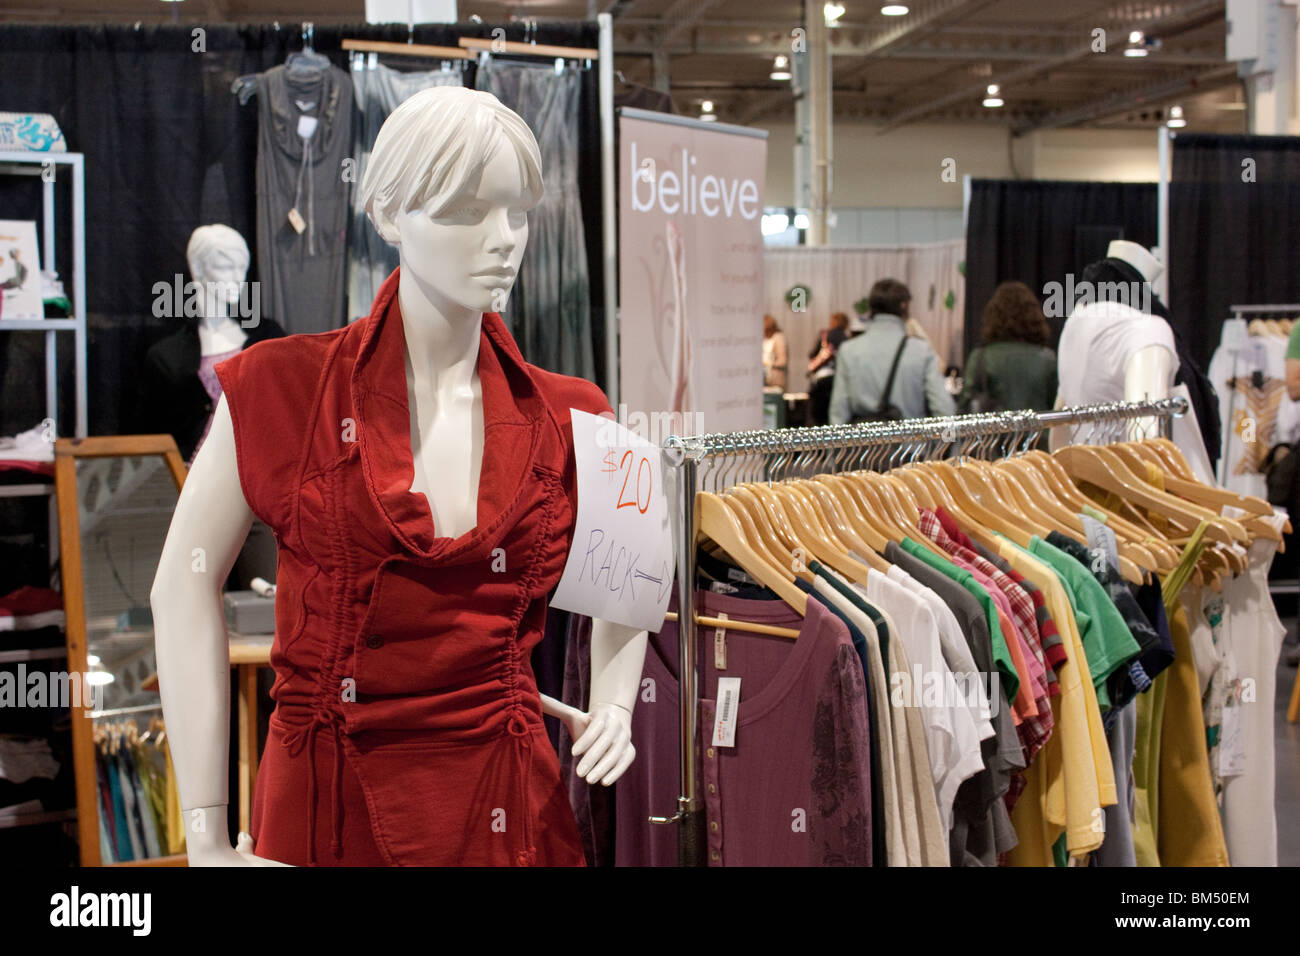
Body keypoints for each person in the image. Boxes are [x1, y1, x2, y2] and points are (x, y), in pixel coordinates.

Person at [829, 278, 954, 423]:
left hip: (864, 443)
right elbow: (944, 409)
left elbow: (839, 410)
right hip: (912, 442)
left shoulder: (848, 350)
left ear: (871, 308)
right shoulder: (921, 351)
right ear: (903, 306)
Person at [959, 281, 1057, 413]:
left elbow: (964, 405)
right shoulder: (1048, 359)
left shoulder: (980, 357)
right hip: (1039, 432)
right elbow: (1057, 407)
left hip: (995, 432)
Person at [807, 311, 849, 424]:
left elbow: (812, 355)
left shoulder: (825, 335)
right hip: (838, 379)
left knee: (818, 415)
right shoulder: (847, 339)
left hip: (822, 378)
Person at [762, 314, 788, 389]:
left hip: (775, 380)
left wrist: (768, 364)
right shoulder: (766, 339)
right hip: (765, 378)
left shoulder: (778, 338)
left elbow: (782, 360)